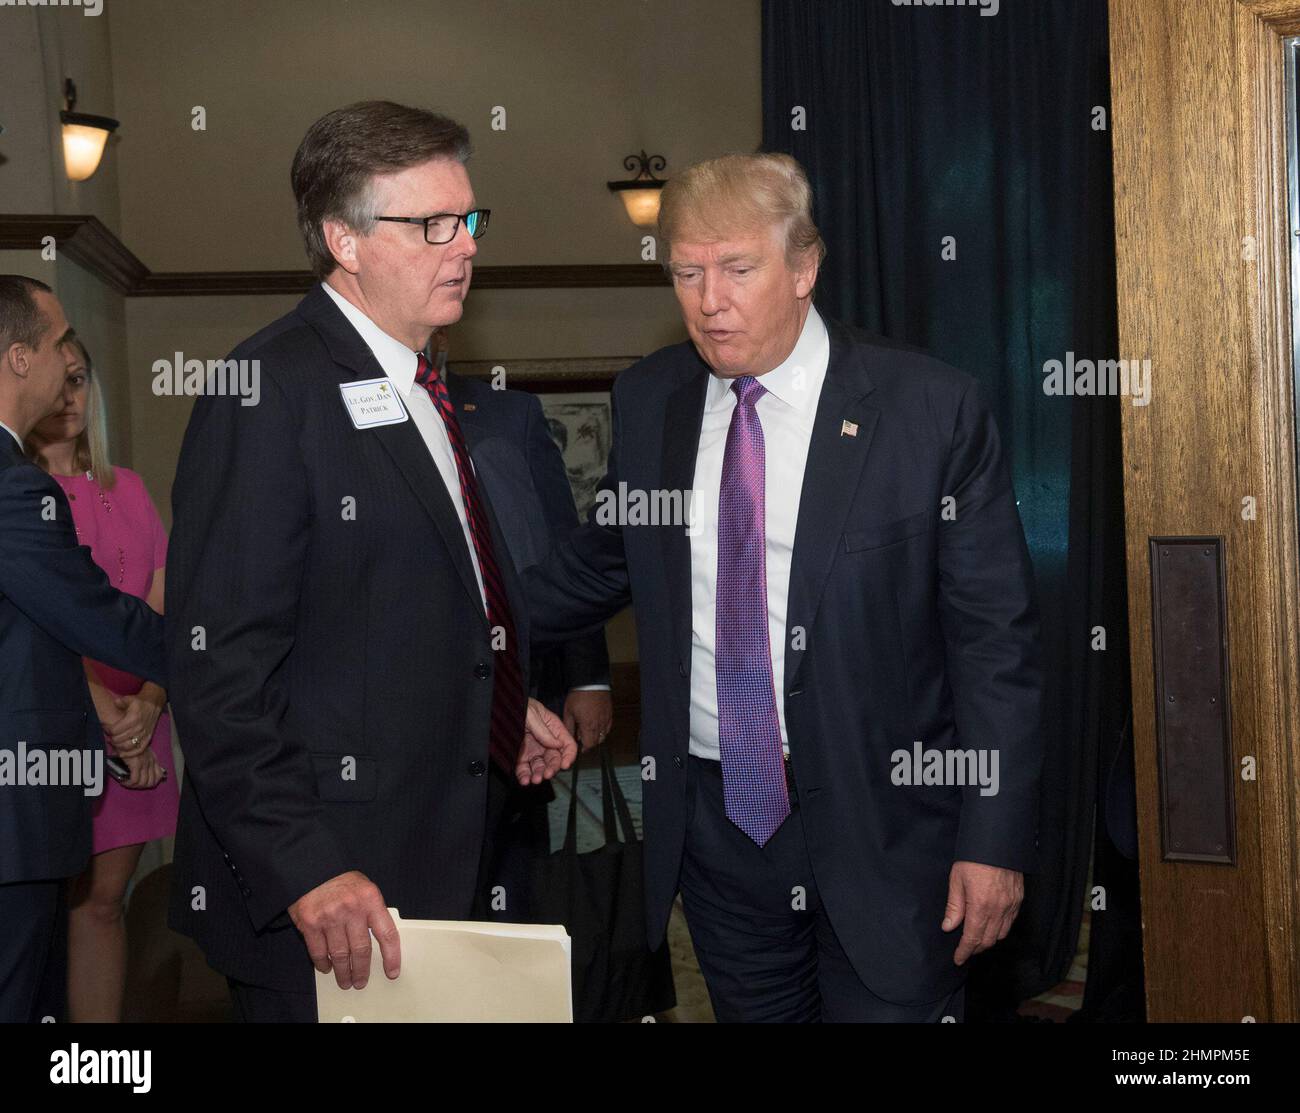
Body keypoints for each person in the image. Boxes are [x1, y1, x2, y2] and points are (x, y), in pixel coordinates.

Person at [526, 153, 1044, 1022]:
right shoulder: (653, 398)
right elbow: (600, 564)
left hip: (888, 835)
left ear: (804, 267)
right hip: (720, 832)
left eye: (736, 269)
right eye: (686, 273)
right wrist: (459, 621)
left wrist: (993, 840)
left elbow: (997, 644)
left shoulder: (928, 409)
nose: (707, 299)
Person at [165, 101, 577, 1023]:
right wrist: (304, 865)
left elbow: (390, 612)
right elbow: (219, 669)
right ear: (342, 241)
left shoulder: (428, 385)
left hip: (446, 853)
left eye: (469, 220)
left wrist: (500, 705)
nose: (463, 246)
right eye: (430, 225)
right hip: (333, 896)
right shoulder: (269, 392)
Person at [0, 275, 166, 1023]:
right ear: (16, 358)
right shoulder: (14, 489)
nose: (72, 357)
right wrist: (231, 657)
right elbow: (100, 619)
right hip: (14, 823)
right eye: (61, 339)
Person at [442, 350, 614, 920]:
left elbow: (567, 551)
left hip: (523, 694)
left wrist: (588, 677)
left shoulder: (508, 416)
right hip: (420, 710)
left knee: (513, 880)